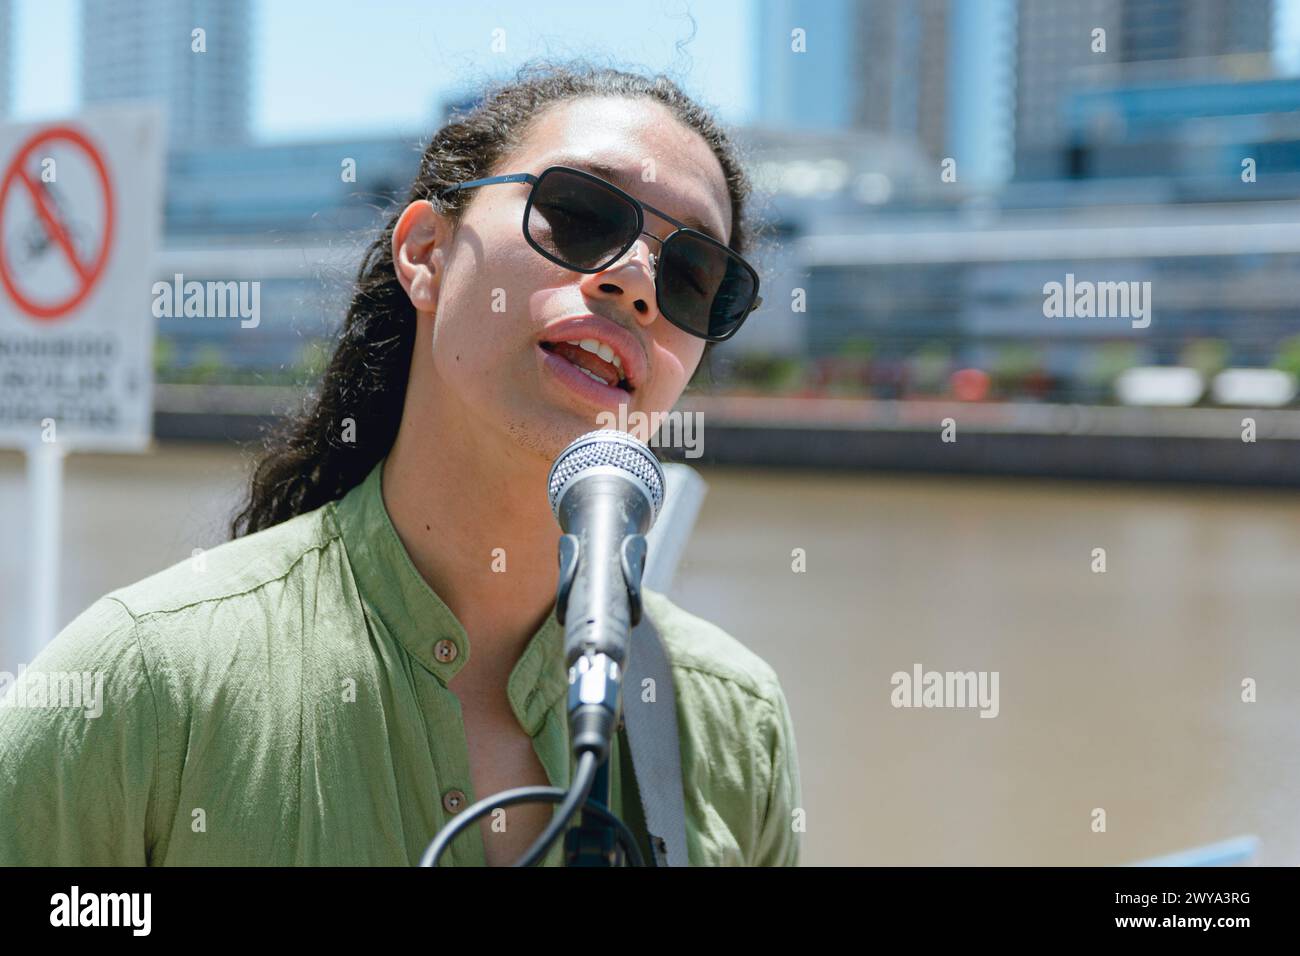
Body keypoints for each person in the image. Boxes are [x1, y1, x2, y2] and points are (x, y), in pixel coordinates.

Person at [0, 61, 801, 867]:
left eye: (695, 276)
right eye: (579, 213)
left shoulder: (734, 725)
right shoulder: (137, 687)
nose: (636, 282)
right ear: (426, 253)